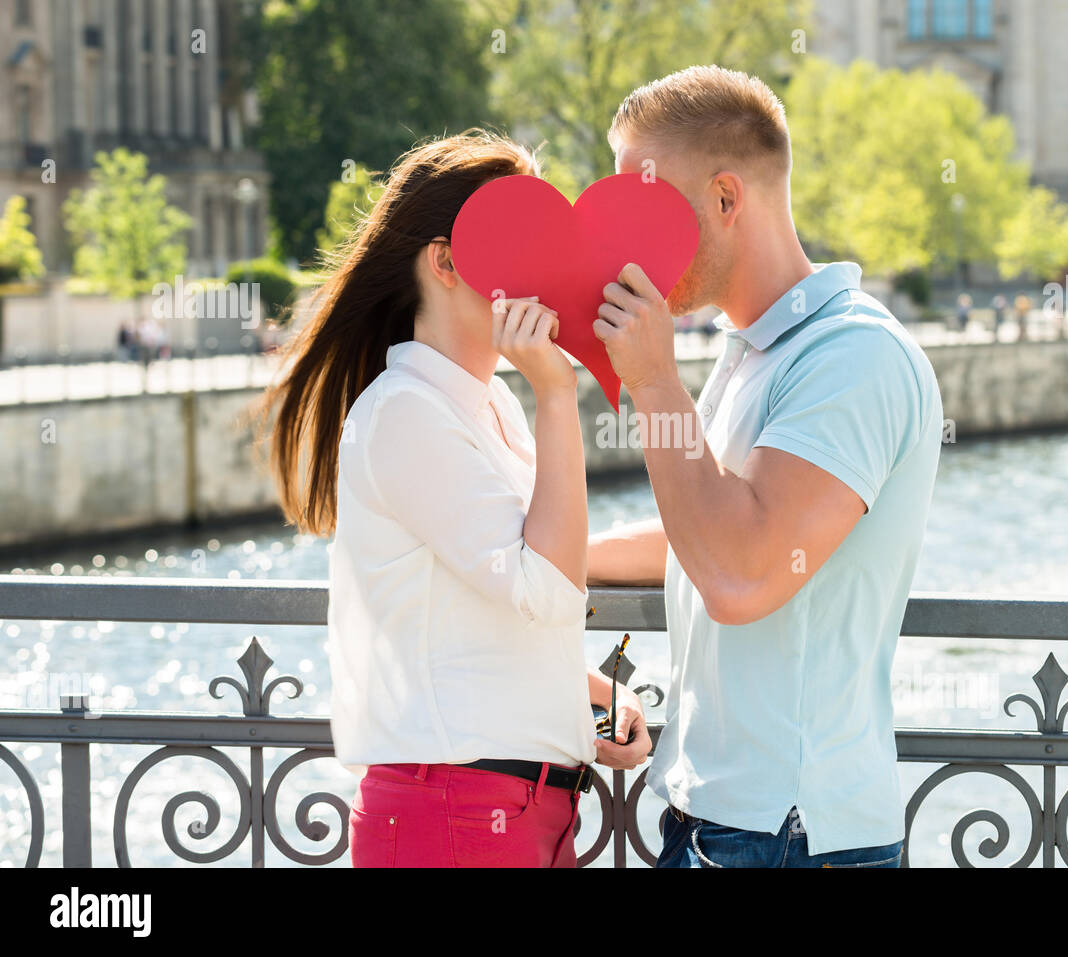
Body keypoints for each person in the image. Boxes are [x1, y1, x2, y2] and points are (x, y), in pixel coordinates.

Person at [261, 131, 651, 868]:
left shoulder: (486, 407)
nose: (550, 268)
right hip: (456, 813)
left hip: (522, 807)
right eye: (522, 240)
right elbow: (548, 588)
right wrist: (559, 392)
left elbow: (488, 609)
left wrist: (596, 694)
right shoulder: (407, 411)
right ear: (446, 261)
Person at [587, 66, 943, 868]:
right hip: (718, 817)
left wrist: (651, 380)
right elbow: (703, 528)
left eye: (645, 208)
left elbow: (743, 571)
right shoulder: (750, 351)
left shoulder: (853, 356)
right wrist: (552, 557)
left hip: (790, 834)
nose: (624, 239)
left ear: (724, 199)